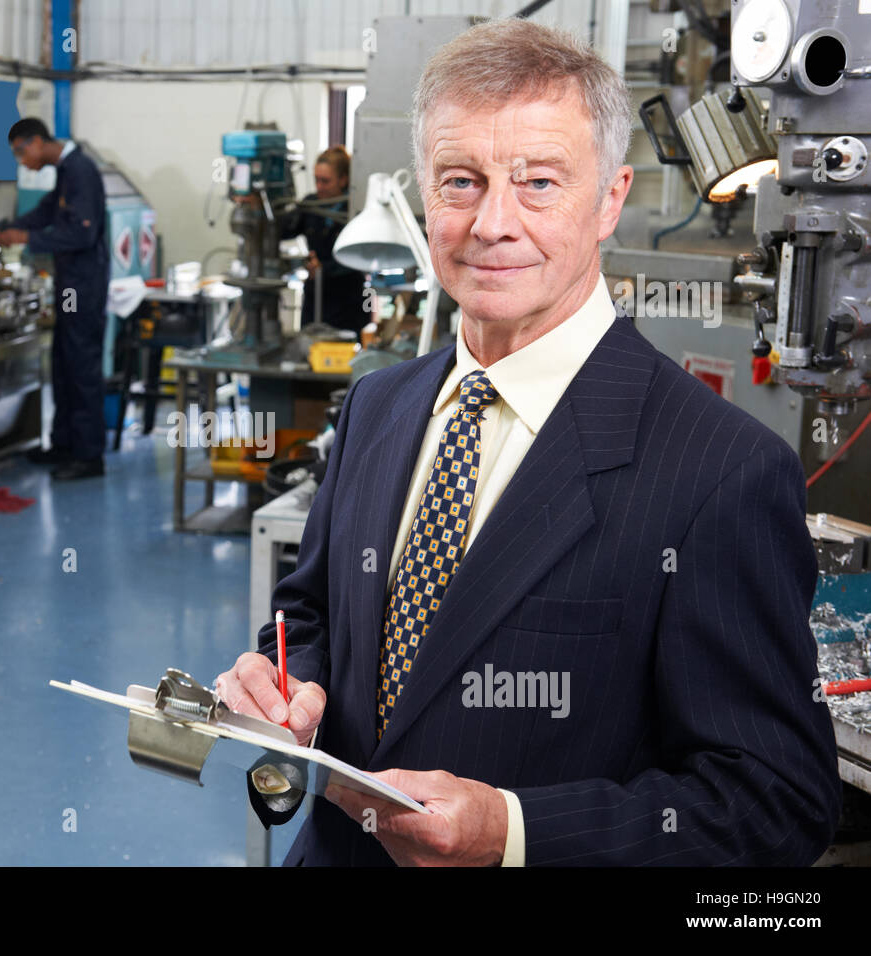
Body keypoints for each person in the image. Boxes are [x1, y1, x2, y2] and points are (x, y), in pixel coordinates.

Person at [215, 19, 841, 866]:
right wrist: (288, 686)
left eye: (539, 182)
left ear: (610, 199)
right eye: (461, 181)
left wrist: (512, 832)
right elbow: (312, 612)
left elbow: (775, 802)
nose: (491, 224)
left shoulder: (719, 471)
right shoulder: (379, 405)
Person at [0, 118, 109, 481]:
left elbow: (81, 234)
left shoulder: (80, 170)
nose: (22, 161)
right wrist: (6, 228)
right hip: (68, 284)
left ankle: (88, 456)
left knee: (81, 363)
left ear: (37, 142)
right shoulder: (66, 171)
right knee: (64, 359)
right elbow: (47, 212)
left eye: (21, 152)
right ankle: (64, 443)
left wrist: (28, 241)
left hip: (83, 285)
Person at [281, 146, 368, 333]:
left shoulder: (356, 210)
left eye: (325, 181)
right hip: (315, 298)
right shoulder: (310, 204)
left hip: (347, 299)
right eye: (316, 180)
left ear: (343, 179)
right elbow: (282, 231)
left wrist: (324, 268)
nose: (319, 187)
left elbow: (362, 258)